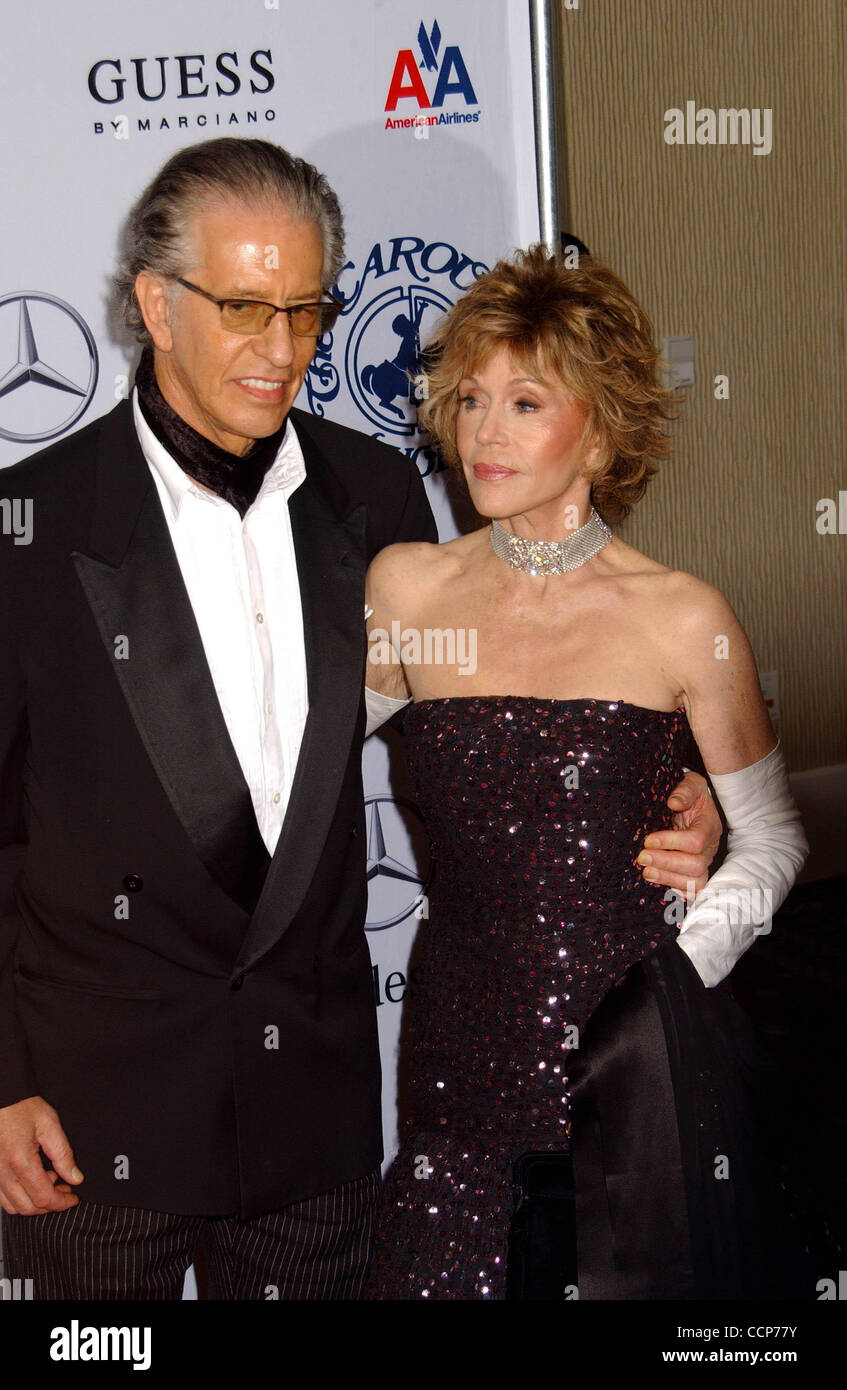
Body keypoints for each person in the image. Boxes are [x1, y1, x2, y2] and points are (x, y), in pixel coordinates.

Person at [0, 138, 716, 1301]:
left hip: (314, 1139)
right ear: (154, 304)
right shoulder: (28, 526)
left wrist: (684, 803)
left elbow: (504, 719)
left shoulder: (376, 498)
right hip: (87, 1137)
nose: (282, 350)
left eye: (306, 308)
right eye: (242, 308)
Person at [363, 245, 810, 1300]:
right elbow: (291, 786)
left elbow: (775, 835)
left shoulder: (681, 615)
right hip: (456, 1064)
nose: (482, 430)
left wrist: (668, 983)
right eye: (469, 398)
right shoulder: (408, 592)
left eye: (525, 402)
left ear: (602, 429)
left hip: (636, 1069)